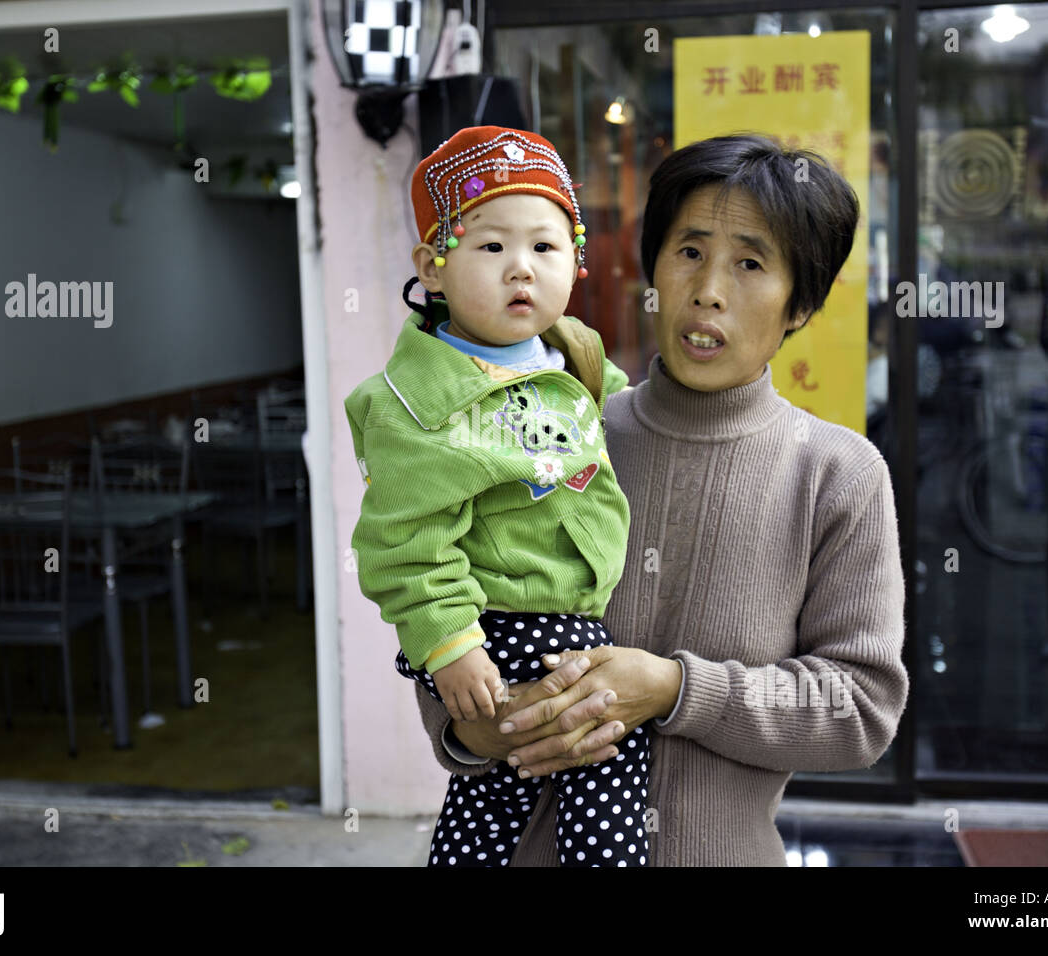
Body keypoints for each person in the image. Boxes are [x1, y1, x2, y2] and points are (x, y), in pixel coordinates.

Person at [411, 133, 910, 866]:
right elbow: (442, 614)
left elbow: (859, 709)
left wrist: (676, 690)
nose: (709, 289)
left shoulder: (839, 474)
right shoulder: (550, 435)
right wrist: (483, 725)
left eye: (750, 263)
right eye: (689, 252)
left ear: (800, 304)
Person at [344, 126, 654, 866]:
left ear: (575, 264)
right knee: (596, 753)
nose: (521, 268)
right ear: (434, 267)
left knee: (513, 791)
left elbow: (631, 422)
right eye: (490, 248)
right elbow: (401, 541)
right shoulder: (419, 400)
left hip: (573, 618)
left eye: (545, 248)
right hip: (495, 628)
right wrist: (450, 648)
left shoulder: (574, 352)